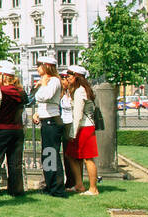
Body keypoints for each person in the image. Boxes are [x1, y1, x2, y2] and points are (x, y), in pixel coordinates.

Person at [0, 60, 27, 198]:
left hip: (2, 129)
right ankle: (16, 190)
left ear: (5, 76)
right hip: (17, 130)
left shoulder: (0, 92)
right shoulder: (20, 91)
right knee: (15, 162)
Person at [33, 59, 68, 196]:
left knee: (51, 154)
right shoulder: (48, 81)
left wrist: (42, 85)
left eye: (39, 66)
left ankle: (57, 188)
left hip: (52, 121)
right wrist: (38, 113)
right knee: (48, 154)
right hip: (47, 120)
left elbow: (44, 96)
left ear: (46, 67)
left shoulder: (53, 81)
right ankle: (50, 185)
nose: (37, 68)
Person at [64, 65, 100, 195]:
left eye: (69, 75)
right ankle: (79, 185)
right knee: (73, 155)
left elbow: (78, 114)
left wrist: (73, 133)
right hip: (86, 127)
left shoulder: (79, 91)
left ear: (77, 77)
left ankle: (93, 188)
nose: (67, 78)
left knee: (87, 158)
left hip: (83, 128)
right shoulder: (85, 89)